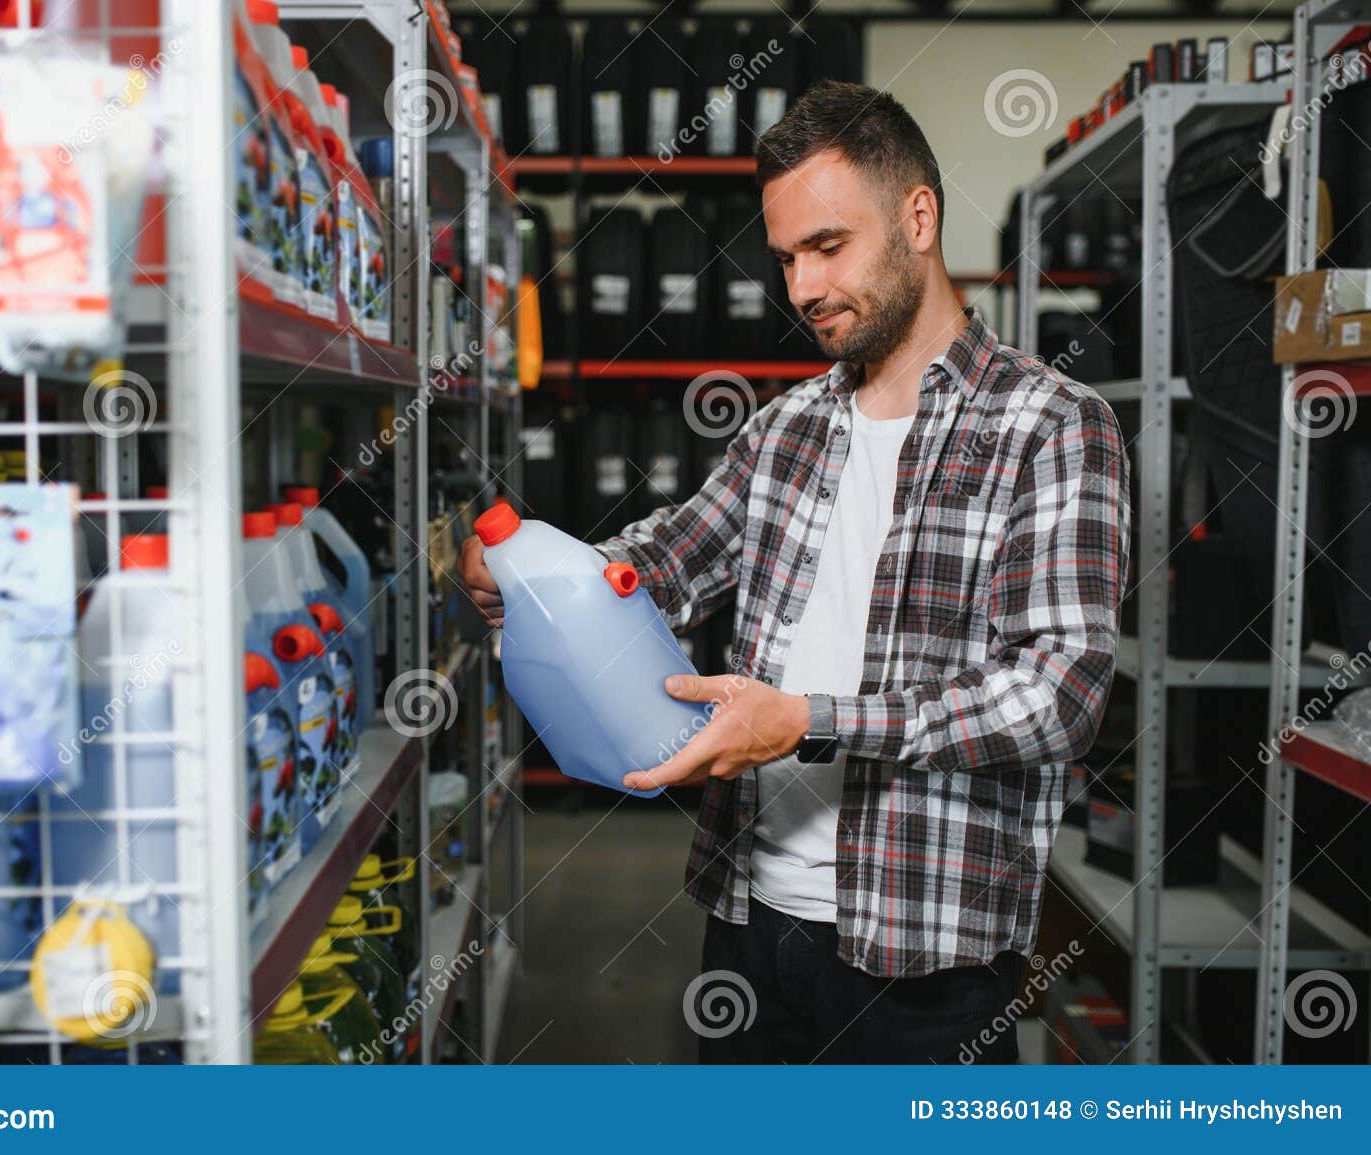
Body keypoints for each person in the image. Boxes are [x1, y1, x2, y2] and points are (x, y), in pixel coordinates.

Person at [459, 81, 1130, 1064]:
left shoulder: (1050, 425)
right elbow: (666, 560)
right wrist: (537, 574)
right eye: (784, 259)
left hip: (924, 959)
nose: (803, 288)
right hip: (748, 919)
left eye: (827, 246)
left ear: (918, 218)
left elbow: (1057, 694)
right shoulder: (787, 427)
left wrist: (807, 722)